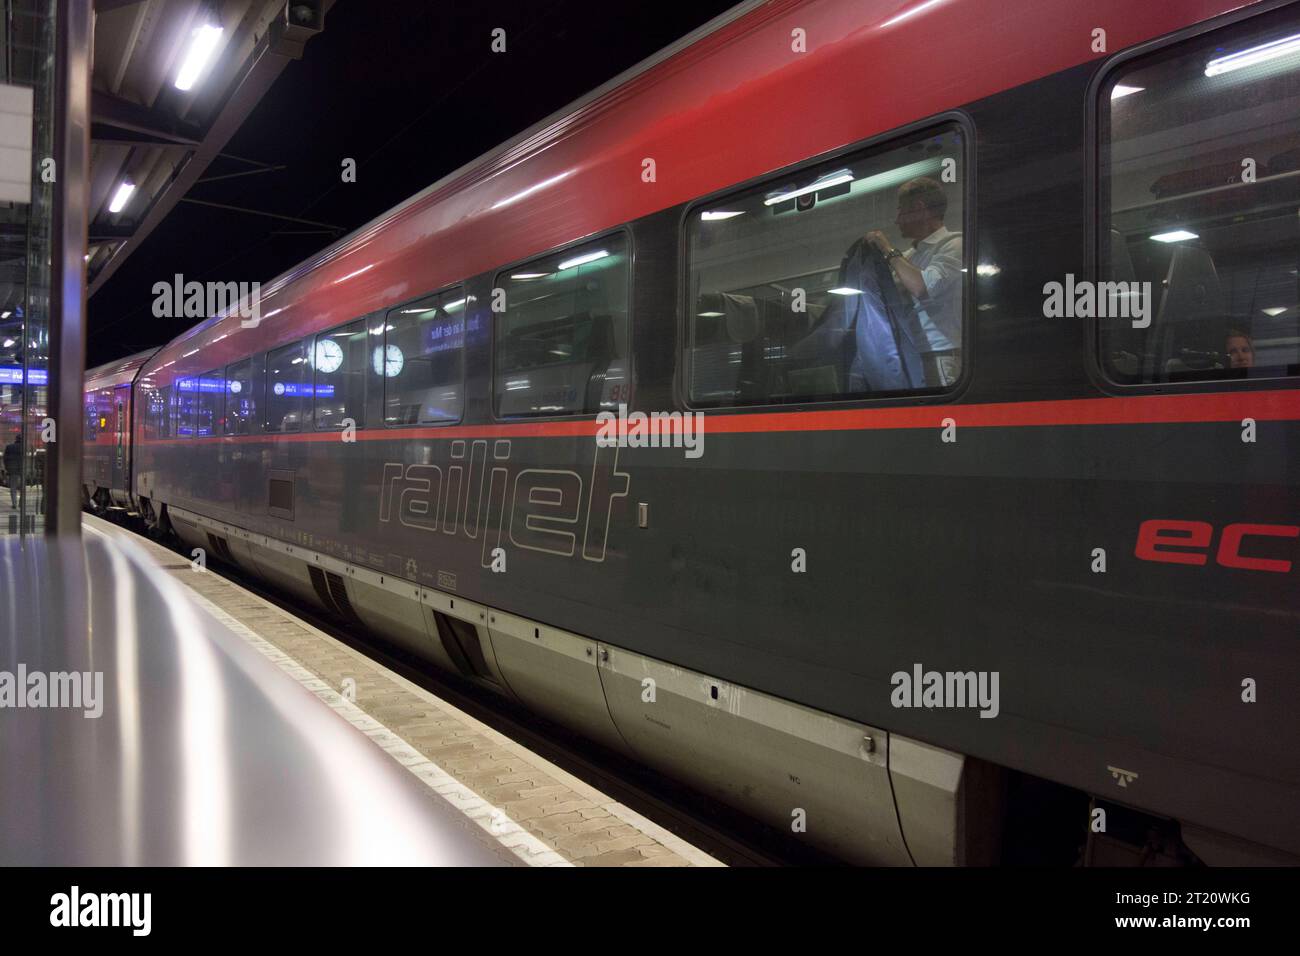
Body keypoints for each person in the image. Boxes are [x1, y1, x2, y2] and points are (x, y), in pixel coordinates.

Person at [864, 177, 963, 387]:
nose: (897, 220)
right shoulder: (909, 256)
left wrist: (887, 249)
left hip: (940, 354)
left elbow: (922, 286)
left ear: (919, 209)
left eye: (901, 211)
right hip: (912, 353)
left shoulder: (953, 244)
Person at [3, 432, 21, 509]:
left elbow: (5, 459)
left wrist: (7, 468)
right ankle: (21, 503)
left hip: (12, 470)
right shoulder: (24, 447)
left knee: (13, 488)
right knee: (22, 488)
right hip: (22, 469)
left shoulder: (9, 447)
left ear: (16, 439)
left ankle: (14, 503)